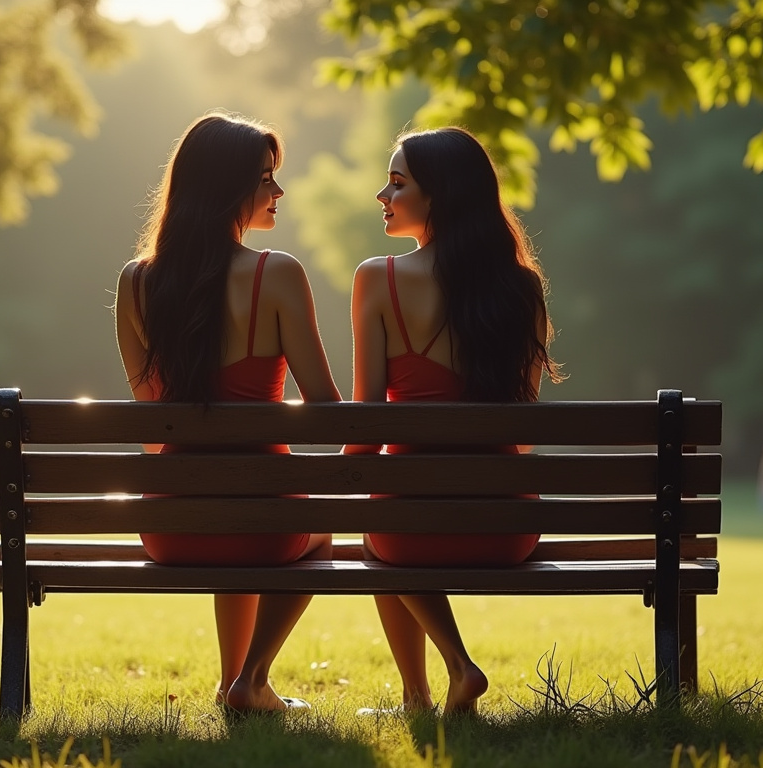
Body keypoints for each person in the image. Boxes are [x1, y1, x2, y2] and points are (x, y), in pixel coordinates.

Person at [114, 112, 342, 713]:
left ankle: (231, 684)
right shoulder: (277, 274)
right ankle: (252, 679)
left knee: (236, 513)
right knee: (322, 531)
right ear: (228, 188)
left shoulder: (136, 283)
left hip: (169, 526)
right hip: (264, 522)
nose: (278, 191)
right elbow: (327, 409)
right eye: (266, 178)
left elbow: (152, 413)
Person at [347, 127, 563, 714]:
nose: (381, 195)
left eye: (397, 183)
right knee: (385, 529)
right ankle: (424, 694)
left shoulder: (377, 279)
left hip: (408, 527)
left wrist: (332, 487)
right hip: (507, 526)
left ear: (437, 195)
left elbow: (367, 423)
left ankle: (450, 673)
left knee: (379, 533)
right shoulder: (521, 288)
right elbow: (521, 429)